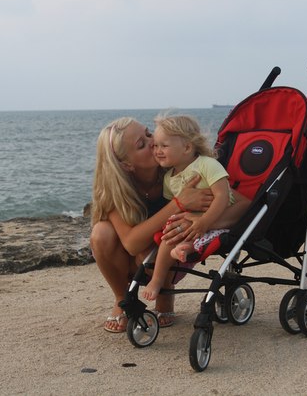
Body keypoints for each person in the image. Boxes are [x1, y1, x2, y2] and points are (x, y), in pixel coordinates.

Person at [91, 117, 249, 333]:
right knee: (101, 233)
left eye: (149, 133)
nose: (153, 141)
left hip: (169, 255)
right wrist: (178, 203)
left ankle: (165, 296)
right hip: (129, 259)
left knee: (149, 252)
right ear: (127, 164)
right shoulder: (116, 190)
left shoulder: (182, 170)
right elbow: (131, 244)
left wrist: (201, 222)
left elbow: (244, 205)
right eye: (142, 144)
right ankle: (122, 298)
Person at [141, 115, 241, 301]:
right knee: (168, 236)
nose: (157, 151)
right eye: (155, 145)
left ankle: (186, 248)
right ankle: (157, 279)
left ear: (187, 147)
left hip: (218, 219)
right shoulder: (169, 178)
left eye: (164, 146)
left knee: (195, 234)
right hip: (193, 222)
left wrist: (205, 221)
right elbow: (176, 207)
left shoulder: (207, 165)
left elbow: (223, 196)